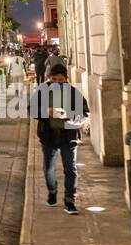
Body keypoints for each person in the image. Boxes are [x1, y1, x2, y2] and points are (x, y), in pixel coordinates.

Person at [29, 62, 88, 214]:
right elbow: (31, 110)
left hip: (69, 136)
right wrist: (46, 112)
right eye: (54, 80)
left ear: (66, 79)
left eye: (61, 80)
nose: (57, 83)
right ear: (49, 78)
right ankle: (52, 190)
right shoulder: (42, 92)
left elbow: (85, 112)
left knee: (70, 168)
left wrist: (70, 116)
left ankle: (69, 200)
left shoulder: (73, 92)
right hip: (48, 137)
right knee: (48, 168)